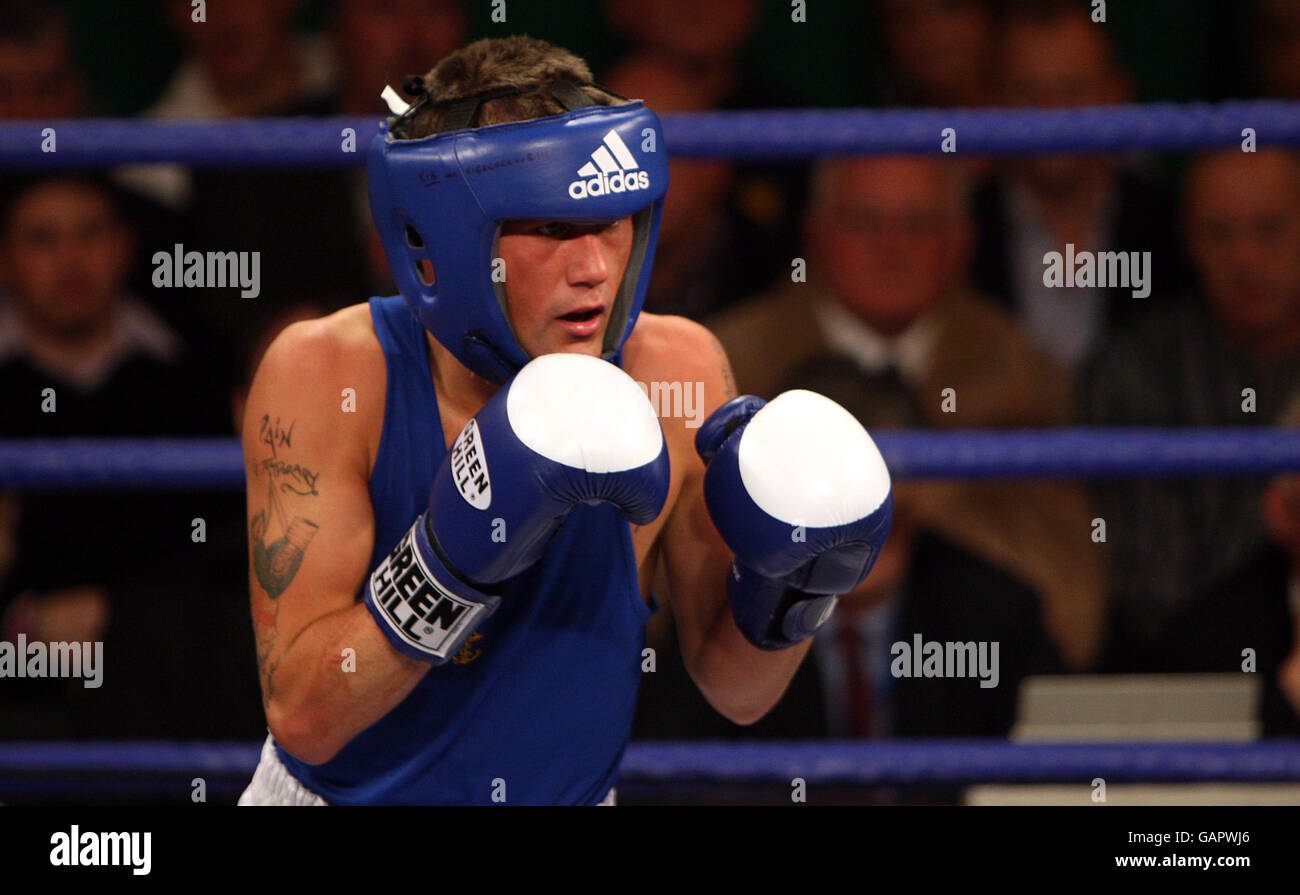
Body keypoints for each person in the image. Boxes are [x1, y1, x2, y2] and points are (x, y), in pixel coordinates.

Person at [237, 35, 892, 806]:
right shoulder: (329, 372)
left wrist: (791, 588)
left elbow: (737, 688)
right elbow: (305, 715)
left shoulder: (676, 371)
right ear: (448, 238)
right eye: (550, 230)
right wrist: (450, 562)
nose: (596, 269)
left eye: (613, 221)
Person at [709, 155, 1108, 672]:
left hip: (961, 701)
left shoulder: (1027, 377)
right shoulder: (727, 364)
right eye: (866, 222)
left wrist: (916, 504)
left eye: (919, 224)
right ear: (814, 231)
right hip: (767, 701)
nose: (892, 246)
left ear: (964, 238)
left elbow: (1075, 611)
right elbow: (671, 606)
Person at [1083, 148, 1300, 733]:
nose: (1246, 258)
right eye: (1219, 234)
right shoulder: (1135, 368)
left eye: (1270, 228)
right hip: (1186, 703)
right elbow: (1156, 601)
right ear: (1186, 241)